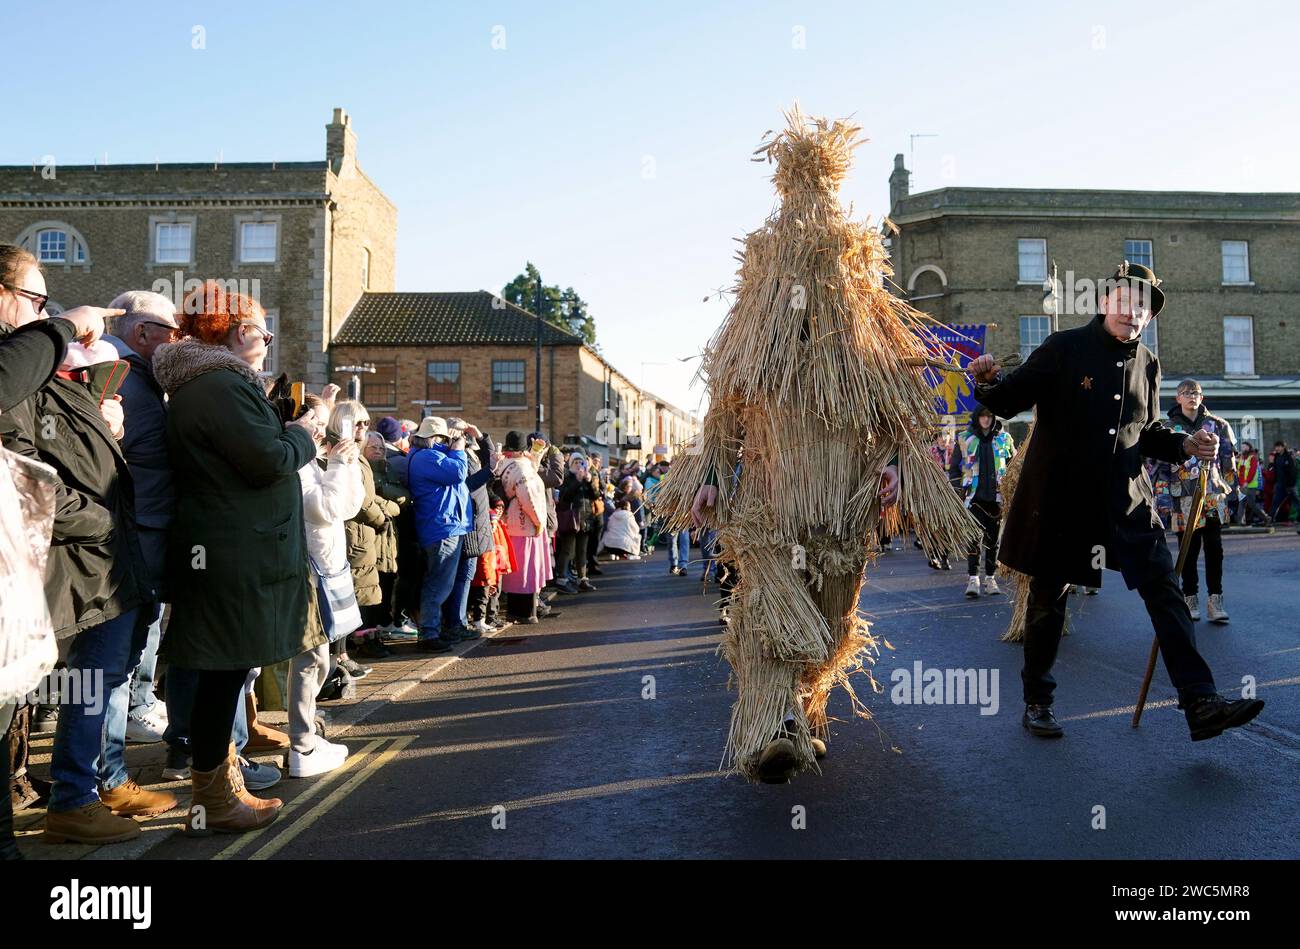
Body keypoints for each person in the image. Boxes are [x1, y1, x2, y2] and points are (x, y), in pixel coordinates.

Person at [969, 261, 1264, 741]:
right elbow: (1006, 399)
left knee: (1165, 591)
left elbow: (1144, 431)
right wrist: (983, 381)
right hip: (1063, 500)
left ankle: (1201, 702)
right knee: (1049, 598)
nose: (1134, 313)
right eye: (1127, 302)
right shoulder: (1064, 347)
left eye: (1144, 308)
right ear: (1106, 302)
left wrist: (1184, 445)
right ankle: (1037, 702)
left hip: (1126, 501)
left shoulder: (1148, 364)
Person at [153, 281, 322, 833]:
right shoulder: (219, 383)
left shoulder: (213, 382)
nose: (268, 339)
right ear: (231, 330)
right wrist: (304, 433)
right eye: (260, 329)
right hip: (231, 548)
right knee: (223, 671)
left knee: (223, 670)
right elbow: (267, 459)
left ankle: (218, 793)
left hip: (225, 544)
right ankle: (214, 799)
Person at [102, 292, 181, 745]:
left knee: (139, 632)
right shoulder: (123, 377)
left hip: (144, 523)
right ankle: (105, 765)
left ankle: (137, 708)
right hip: (135, 527)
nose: (176, 340)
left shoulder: (141, 377)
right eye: (170, 332)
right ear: (142, 332)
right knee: (124, 644)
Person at [293, 396, 363, 777]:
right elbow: (323, 509)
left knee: (318, 658)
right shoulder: (299, 463)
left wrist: (345, 461)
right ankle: (301, 746)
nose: (323, 431)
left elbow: (350, 505)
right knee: (310, 659)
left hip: (326, 565)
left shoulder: (312, 459)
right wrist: (338, 462)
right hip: (309, 567)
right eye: (316, 422)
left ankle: (304, 738)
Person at [1153, 379, 1235, 624]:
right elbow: (1158, 467)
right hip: (1182, 496)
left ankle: (1215, 598)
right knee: (1188, 548)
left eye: (1196, 392)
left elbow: (1230, 462)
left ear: (1202, 397)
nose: (1192, 396)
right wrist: (1163, 500)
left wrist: (1232, 494)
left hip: (1212, 494)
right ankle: (1190, 597)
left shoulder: (1218, 425)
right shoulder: (1168, 427)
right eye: (1186, 393)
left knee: (1214, 547)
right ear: (1178, 398)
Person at [407, 416, 471, 652]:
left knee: (440, 583)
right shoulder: (426, 457)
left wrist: (458, 444)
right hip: (441, 527)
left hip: (444, 525)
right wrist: (459, 450)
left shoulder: (428, 454)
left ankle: (433, 630)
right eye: (443, 438)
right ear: (434, 438)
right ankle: (429, 634)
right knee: (438, 585)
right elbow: (458, 473)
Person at [441, 417, 494, 640]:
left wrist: (480, 436)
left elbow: (490, 458)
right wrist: (489, 471)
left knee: (467, 574)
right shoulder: (451, 454)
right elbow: (464, 484)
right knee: (461, 575)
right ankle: (456, 623)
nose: (466, 436)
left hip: (477, 519)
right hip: (466, 519)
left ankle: (459, 621)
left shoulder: (468, 450)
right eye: (462, 433)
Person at [957, 405, 1015, 597]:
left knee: (992, 540)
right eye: (982, 416)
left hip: (996, 499)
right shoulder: (965, 438)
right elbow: (955, 470)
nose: (986, 420)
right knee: (974, 538)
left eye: (989, 416)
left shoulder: (1003, 439)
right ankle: (973, 579)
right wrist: (958, 492)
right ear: (977, 417)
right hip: (973, 498)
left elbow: (1013, 465)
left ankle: (990, 579)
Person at [495, 431, 551, 623]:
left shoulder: (504, 464)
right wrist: (538, 521)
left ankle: (514, 609)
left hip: (510, 523)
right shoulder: (521, 468)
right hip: (525, 525)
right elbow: (529, 498)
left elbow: (531, 466)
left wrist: (537, 452)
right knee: (526, 569)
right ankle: (524, 611)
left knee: (515, 568)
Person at [555, 452, 599, 592]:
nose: (579, 465)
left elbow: (596, 495)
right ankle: (562, 579)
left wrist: (590, 481)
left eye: (581, 462)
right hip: (571, 518)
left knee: (582, 551)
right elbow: (565, 496)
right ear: (570, 464)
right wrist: (578, 481)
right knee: (568, 550)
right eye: (575, 462)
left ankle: (582, 579)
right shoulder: (567, 477)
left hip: (585, 518)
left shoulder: (588, 478)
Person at [1233, 442, 1266, 526]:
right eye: (1242, 447)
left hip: (1251, 485)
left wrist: (1247, 482)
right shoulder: (1242, 457)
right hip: (1243, 485)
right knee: (1242, 503)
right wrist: (1241, 483)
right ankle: (1240, 522)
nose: (1242, 448)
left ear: (1248, 447)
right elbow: (1240, 471)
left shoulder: (1253, 458)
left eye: (1244, 447)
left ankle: (1265, 518)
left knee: (1252, 504)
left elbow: (1252, 471)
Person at [1266, 441, 1298, 524]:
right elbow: (1275, 470)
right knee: (1275, 502)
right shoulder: (1276, 457)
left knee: (1296, 502)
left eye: (1279, 446)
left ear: (1283, 447)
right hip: (1279, 484)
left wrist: (1290, 485)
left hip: (1289, 485)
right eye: (1276, 446)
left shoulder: (1288, 458)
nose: (1277, 448)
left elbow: (1292, 472)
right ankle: (1270, 519)